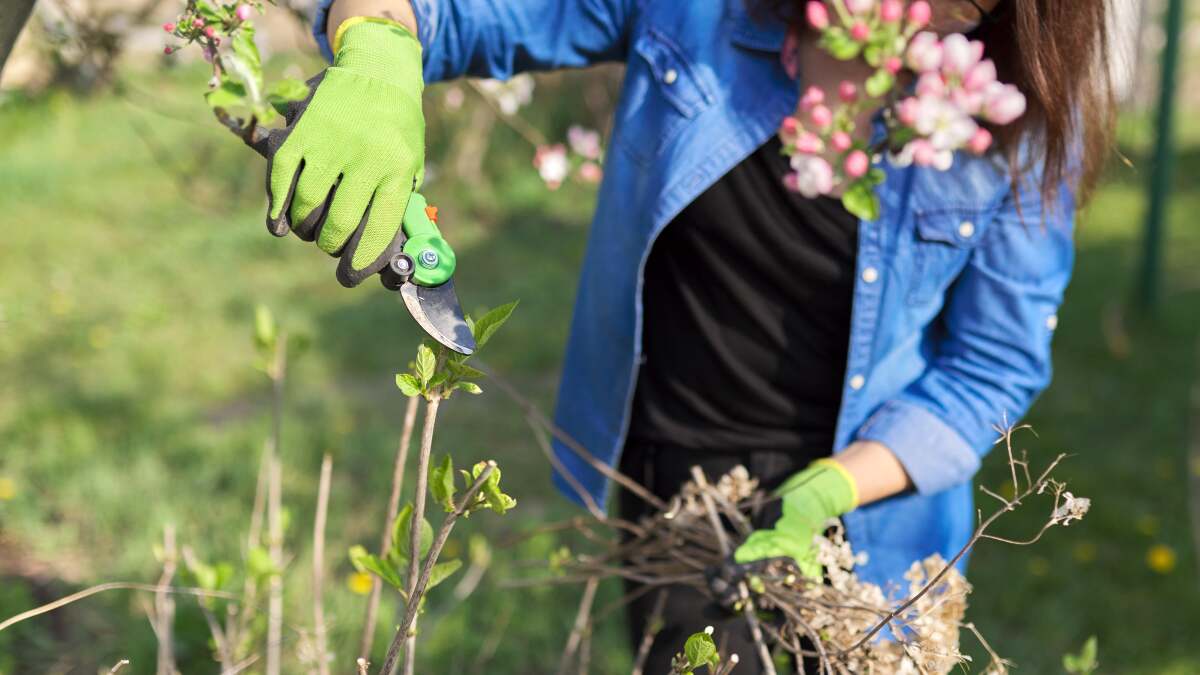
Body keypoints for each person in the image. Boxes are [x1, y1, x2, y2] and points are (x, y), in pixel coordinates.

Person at [265, 0, 1114, 670]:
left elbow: (992, 366)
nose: (903, 17)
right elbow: (449, 13)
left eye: (955, 7)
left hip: (878, 527)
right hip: (683, 494)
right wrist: (378, 55)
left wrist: (831, 491)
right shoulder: (697, 12)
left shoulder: (1018, 120)